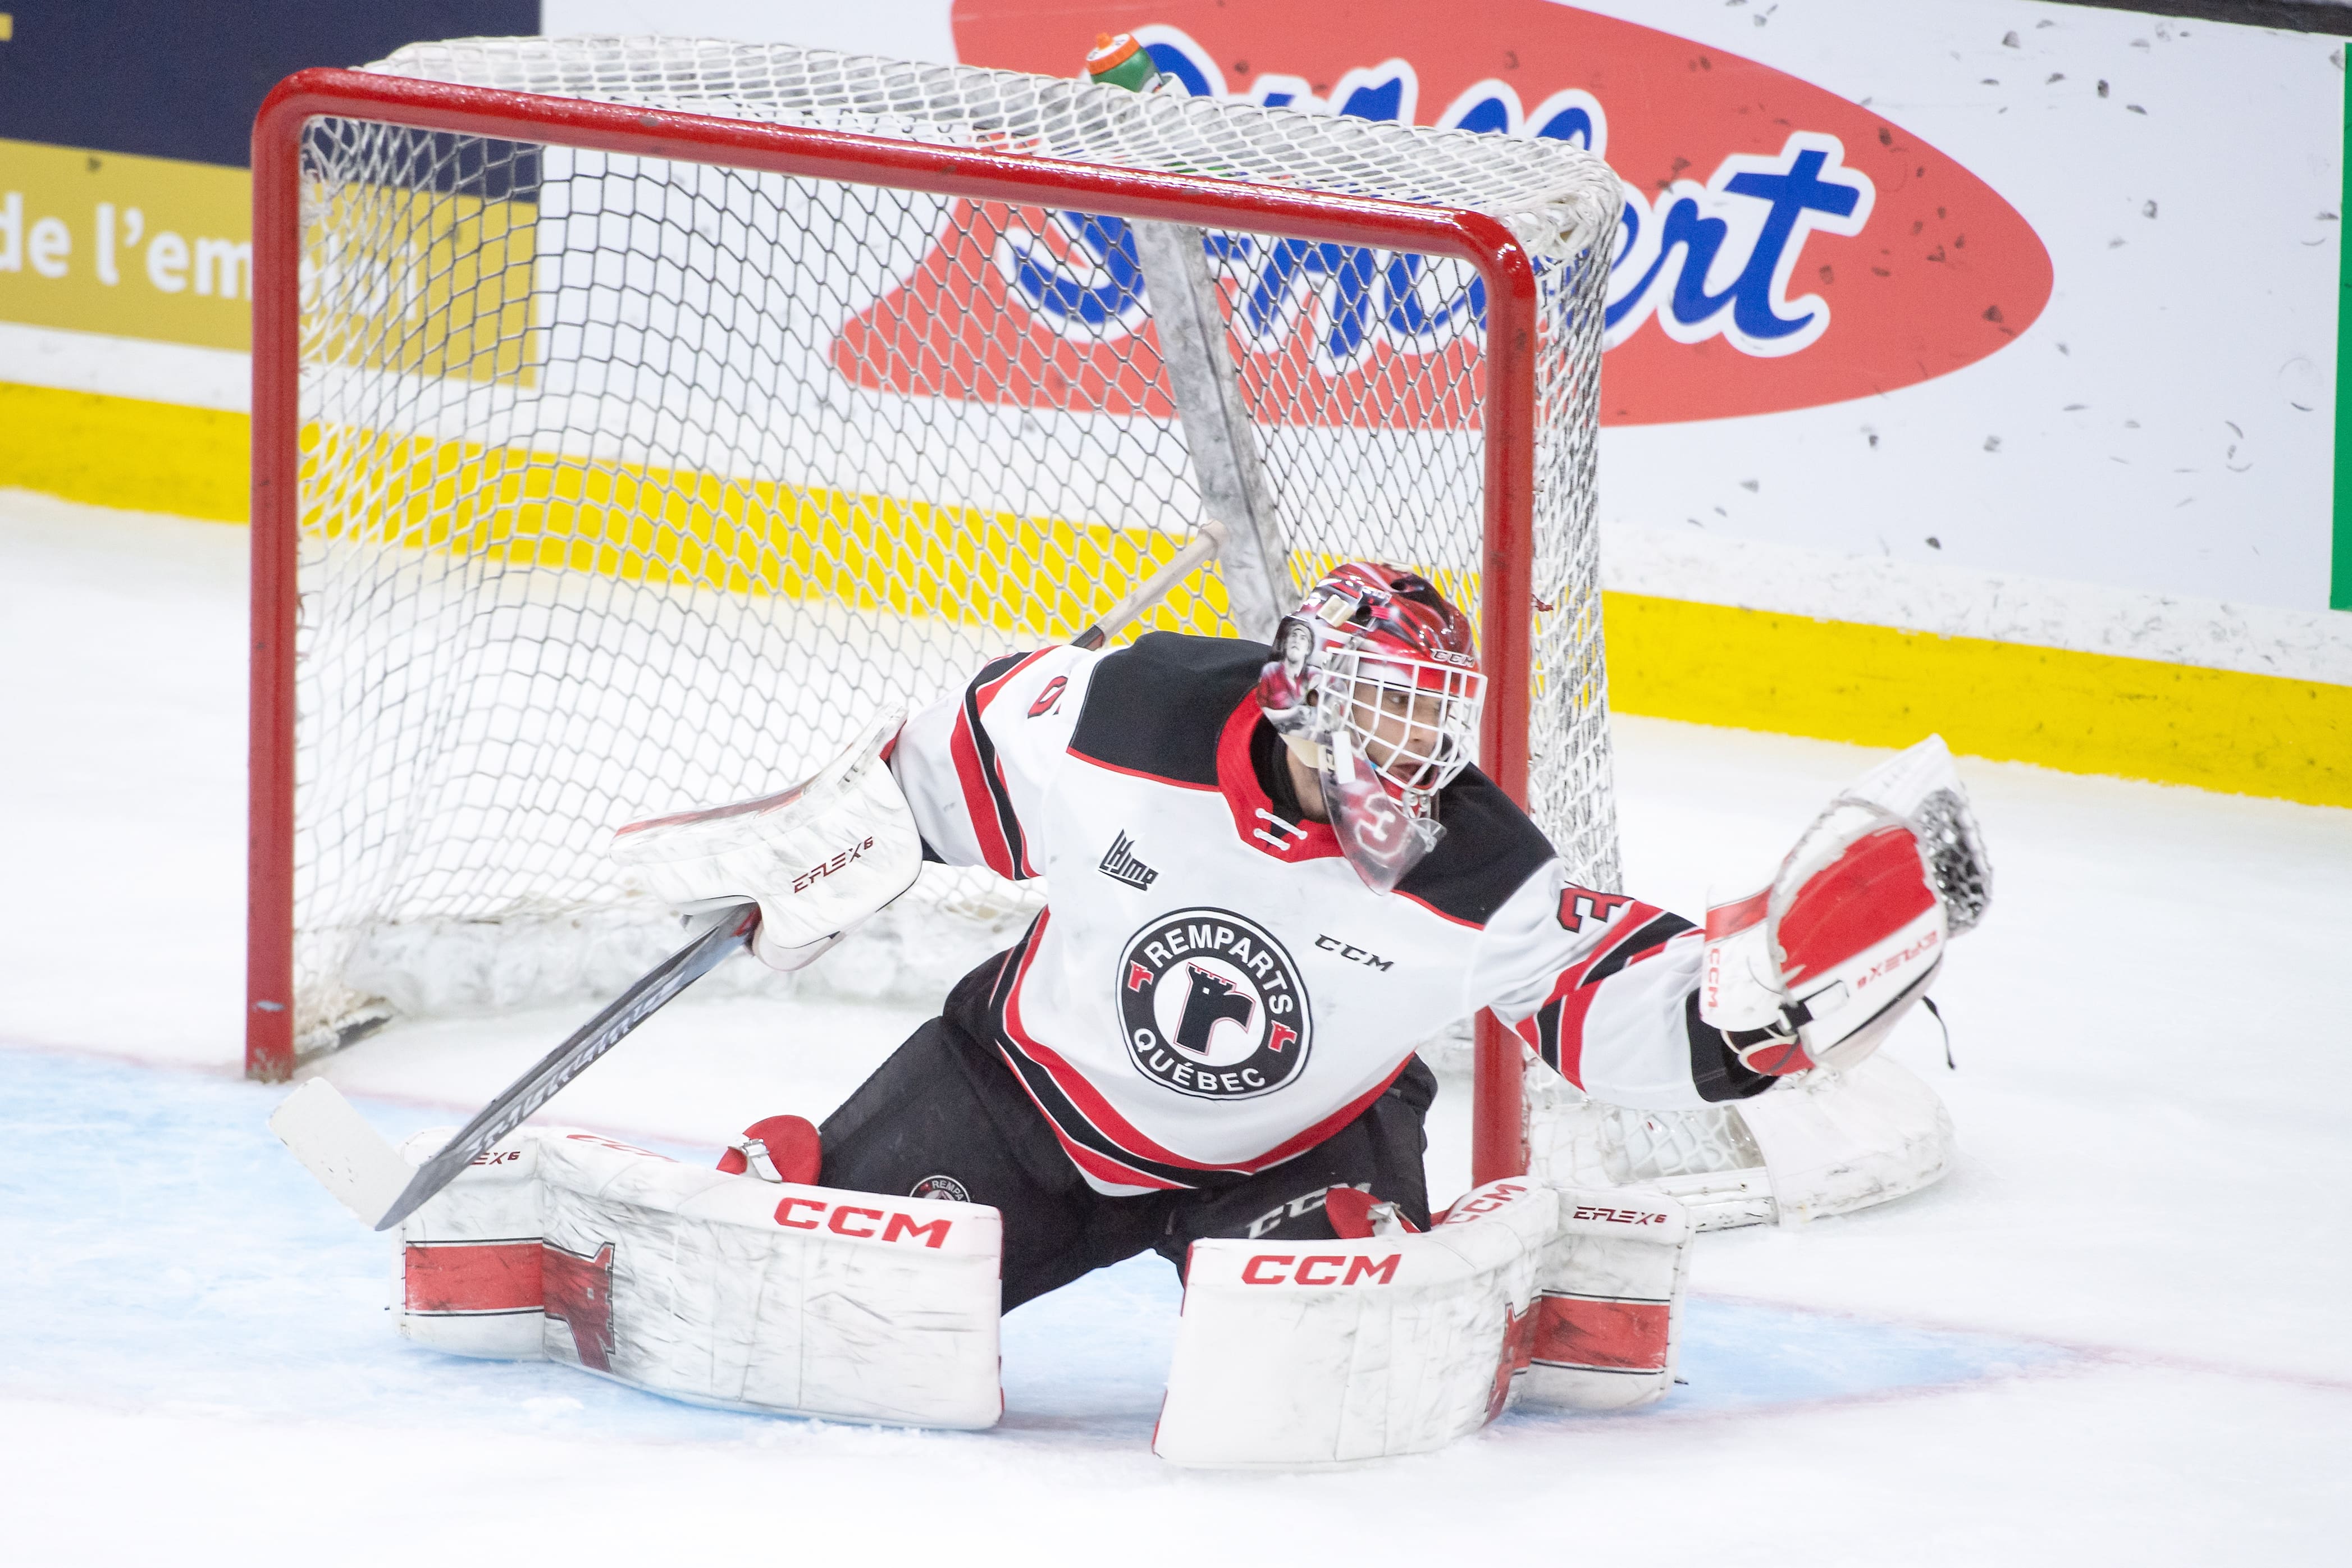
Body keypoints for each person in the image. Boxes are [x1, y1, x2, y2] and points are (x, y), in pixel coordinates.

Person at [627, 562, 1979, 1311]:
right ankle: (838, 1178)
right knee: (814, 1287)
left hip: (1294, 1150)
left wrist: (1744, 1018)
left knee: (1340, 1318)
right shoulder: (1124, 709)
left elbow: (1615, 995)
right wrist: (839, 835)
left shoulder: (1478, 860)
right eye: (1380, 708)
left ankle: (1418, 1271)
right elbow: (944, 758)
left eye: (1428, 714)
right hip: (1019, 1099)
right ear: (1297, 697)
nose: (1408, 745)